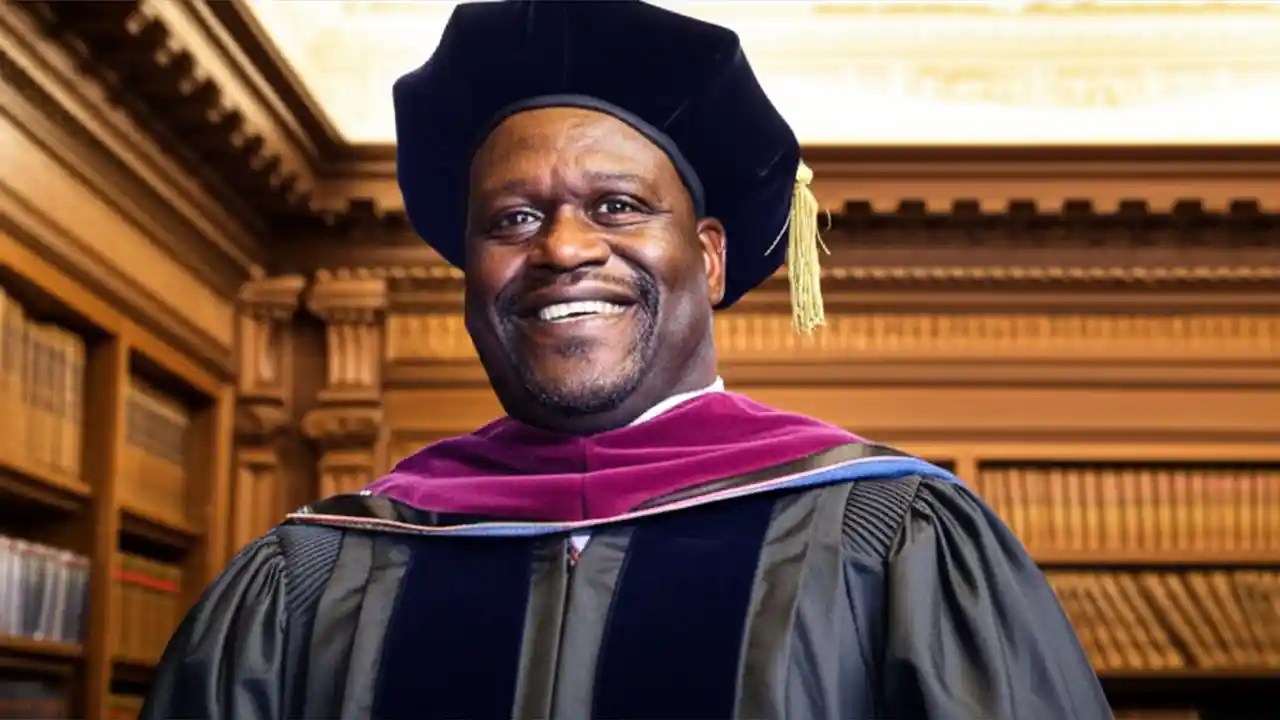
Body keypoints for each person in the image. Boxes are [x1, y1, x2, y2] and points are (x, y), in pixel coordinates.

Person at [143, 1, 1111, 718]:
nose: (561, 247)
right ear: (469, 272)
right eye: (514, 218)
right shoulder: (317, 571)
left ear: (708, 254)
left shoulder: (888, 539)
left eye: (616, 206)